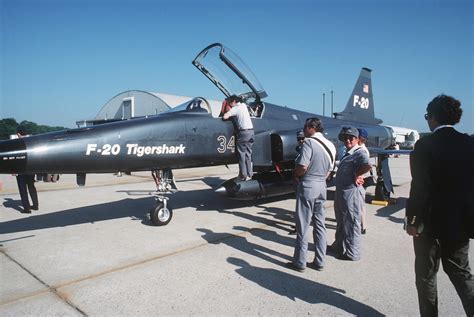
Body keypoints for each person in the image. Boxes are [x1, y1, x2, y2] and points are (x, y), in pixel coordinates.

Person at [405, 94, 474, 316]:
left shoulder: (424, 145)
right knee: (462, 274)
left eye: (427, 116)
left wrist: (413, 221)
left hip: (430, 225)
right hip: (460, 225)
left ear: (433, 117)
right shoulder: (469, 143)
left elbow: (419, 188)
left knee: (426, 276)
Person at [287, 117, 336, 272]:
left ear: (311, 127)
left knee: (303, 225)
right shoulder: (331, 145)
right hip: (322, 185)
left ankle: (299, 262)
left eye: (305, 127)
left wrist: (295, 175)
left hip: (308, 184)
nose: (303, 130)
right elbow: (330, 170)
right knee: (320, 225)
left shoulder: (309, 143)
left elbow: (302, 166)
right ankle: (320, 261)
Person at [330, 126, 371, 261]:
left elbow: (367, 165)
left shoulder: (359, 152)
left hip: (351, 192)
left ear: (357, 139)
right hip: (342, 192)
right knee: (341, 221)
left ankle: (352, 253)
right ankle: (338, 246)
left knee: (352, 223)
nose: (347, 140)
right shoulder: (347, 151)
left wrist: (356, 174)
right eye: (345, 138)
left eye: (351, 138)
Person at [223, 95, 254, 181]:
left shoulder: (235, 109)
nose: (229, 104)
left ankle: (242, 175)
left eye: (229, 102)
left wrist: (227, 112)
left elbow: (225, 116)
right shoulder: (243, 106)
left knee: (241, 154)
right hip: (251, 132)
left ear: (233, 102)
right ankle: (250, 174)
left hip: (243, 133)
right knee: (248, 154)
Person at [14, 126, 39, 214]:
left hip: (21, 169)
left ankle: (27, 209)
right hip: (31, 169)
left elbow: (15, 157)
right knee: (32, 187)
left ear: (18, 134)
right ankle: (35, 205)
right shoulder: (31, 141)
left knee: (23, 189)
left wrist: (14, 170)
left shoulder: (17, 143)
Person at [357, 128, 370, 235]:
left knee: (360, 205)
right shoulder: (359, 149)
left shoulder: (362, 151)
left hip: (358, 181)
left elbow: (366, 166)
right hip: (359, 180)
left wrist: (356, 175)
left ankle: (362, 226)